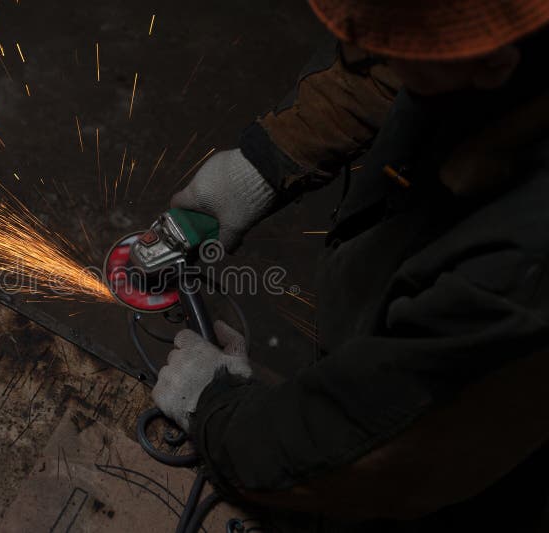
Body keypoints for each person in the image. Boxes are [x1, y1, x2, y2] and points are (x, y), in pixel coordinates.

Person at [151, 1, 549, 530]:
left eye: (380, 49)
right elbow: (389, 68)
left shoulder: (518, 270)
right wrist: (261, 167)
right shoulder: (487, 50)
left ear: (492, 63)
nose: (357, 57)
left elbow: (376, 456)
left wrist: (219, 412)